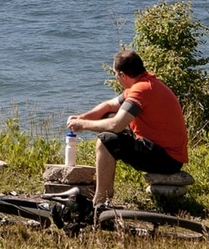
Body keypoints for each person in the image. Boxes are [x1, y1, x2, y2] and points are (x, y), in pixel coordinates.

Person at [67, 49, 188, 208]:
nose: (116, 77)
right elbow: (110, 106)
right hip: (158, 149)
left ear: (123, 75)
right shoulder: (143, 83)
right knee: (108, 118)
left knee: (106, 140)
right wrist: (83, 117)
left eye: (115, 74)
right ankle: (106, 190)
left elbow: (115, 126)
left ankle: (99, 201)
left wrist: (83, 126)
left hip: (167, 158)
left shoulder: (142, 90)